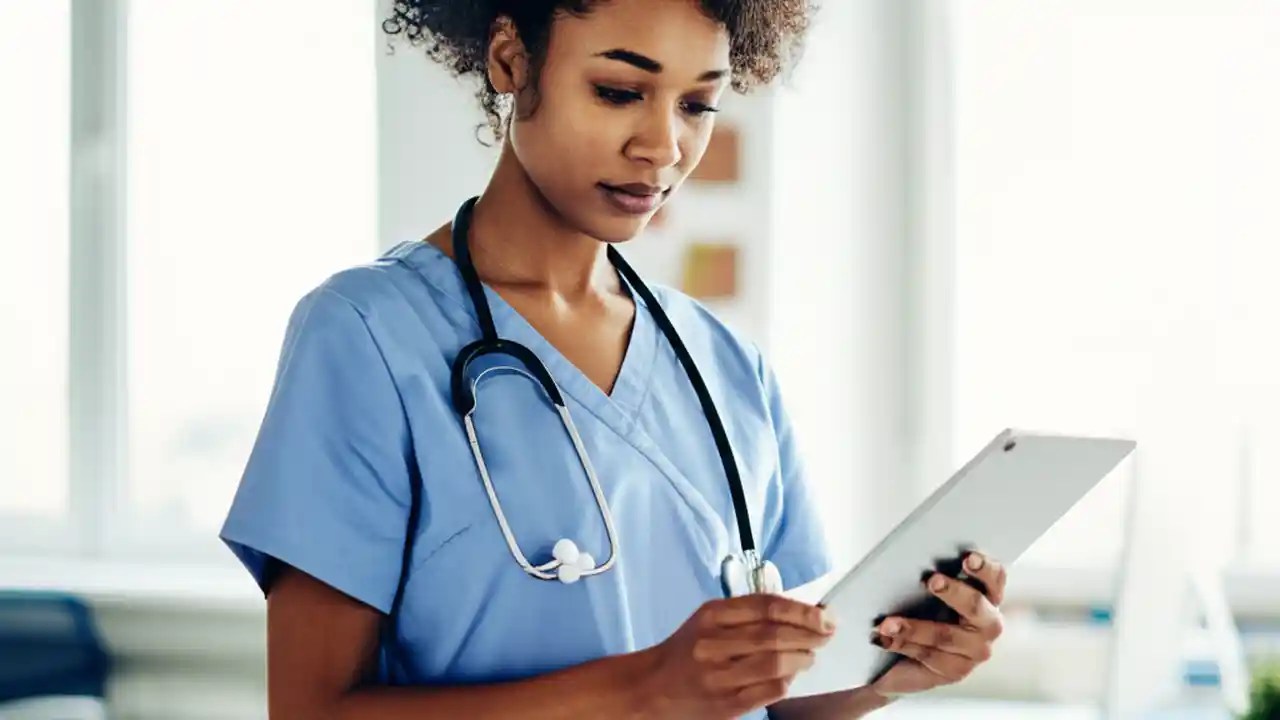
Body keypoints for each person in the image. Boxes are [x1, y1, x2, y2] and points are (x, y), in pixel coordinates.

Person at [218, 1, 1009, 718]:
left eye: (698, 104)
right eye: (620, 92)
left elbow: (772, 705)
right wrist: (648, 688)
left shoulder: (723, 362)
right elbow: (309, 712)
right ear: (509, 60)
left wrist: (888, 671)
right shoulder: (366, 334)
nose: (664, 146)